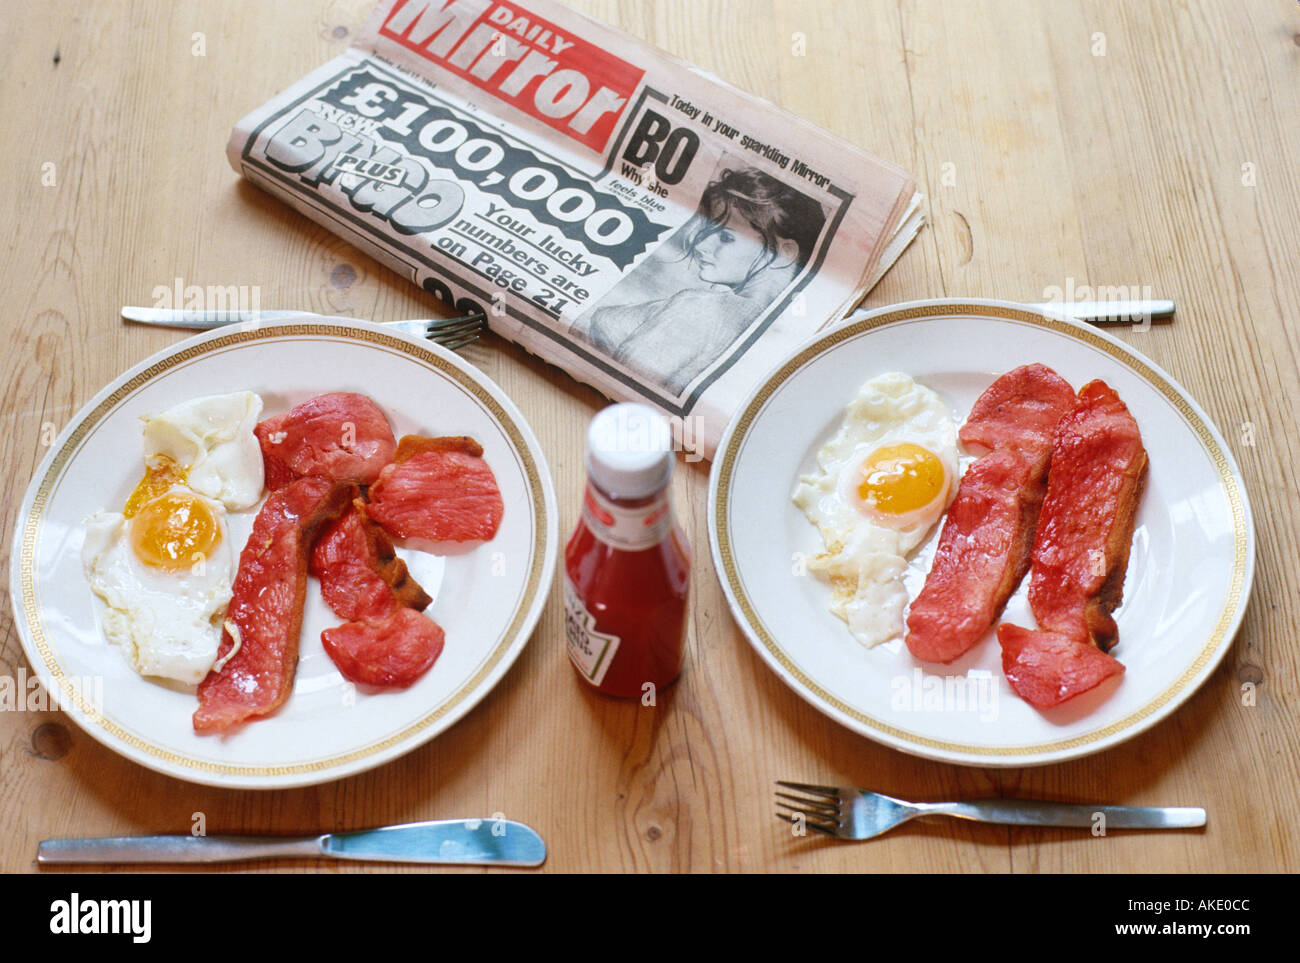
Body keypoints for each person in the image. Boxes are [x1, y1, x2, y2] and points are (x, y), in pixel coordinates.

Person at [580, 167, 826, 394]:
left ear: (784, 253)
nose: (700, 244)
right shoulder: (786, 334)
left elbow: (627, 381)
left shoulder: (702, 308)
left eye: (726, 238)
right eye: (707, 231)